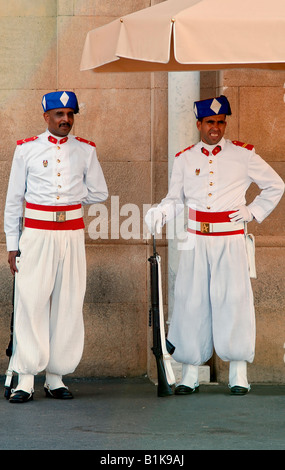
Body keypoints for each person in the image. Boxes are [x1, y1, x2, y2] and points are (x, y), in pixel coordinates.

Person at [145, 95, 284, 396]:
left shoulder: (243, 155)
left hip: (230, 239)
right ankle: (190, 373)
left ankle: (238, 373)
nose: (216, 128)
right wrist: (161, 212)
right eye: (210, 122)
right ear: (199, 124)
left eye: (221, 122)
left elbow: (276, 185)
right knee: (191, 302)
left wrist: (253, 212)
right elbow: (175, 199)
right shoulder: (184, 158)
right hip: (196, 239)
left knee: (233, 301)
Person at [4, 91, 108, 403]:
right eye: (59, 114)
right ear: (46, 116)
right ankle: (24, 379)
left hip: (72, 234)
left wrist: (73, 199)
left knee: (68, 302)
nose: (66, 120)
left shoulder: (85, 150)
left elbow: (99, 192)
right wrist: (12, 244)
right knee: (32, 301)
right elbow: (12, 202)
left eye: (70, 114)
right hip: (36, 234)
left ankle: (56, 376)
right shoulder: (26, 150)